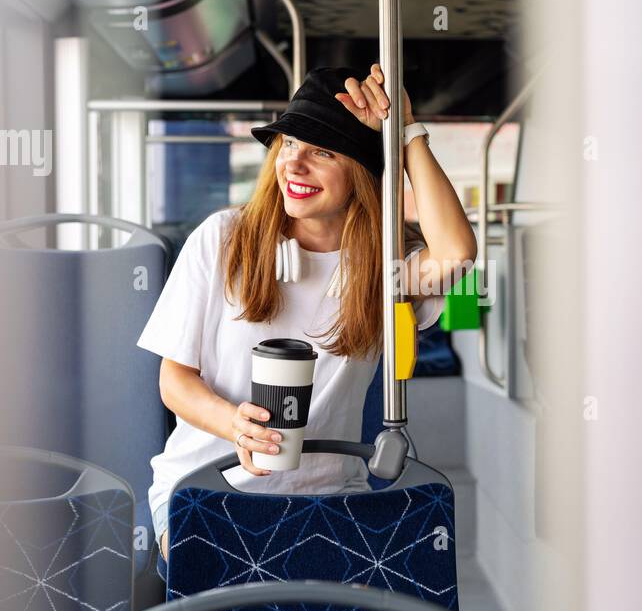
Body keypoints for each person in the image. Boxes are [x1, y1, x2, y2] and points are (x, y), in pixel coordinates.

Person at [136, 65, 477, 575]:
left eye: (322, 151)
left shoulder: (382, 267)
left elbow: (455, 254)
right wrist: (235, 427)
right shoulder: (223, 238)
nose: (295, 164)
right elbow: (174, 381)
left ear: (362, 171)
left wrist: (406, 136)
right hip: (207, 488)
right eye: (289, 144)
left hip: (332, 498)